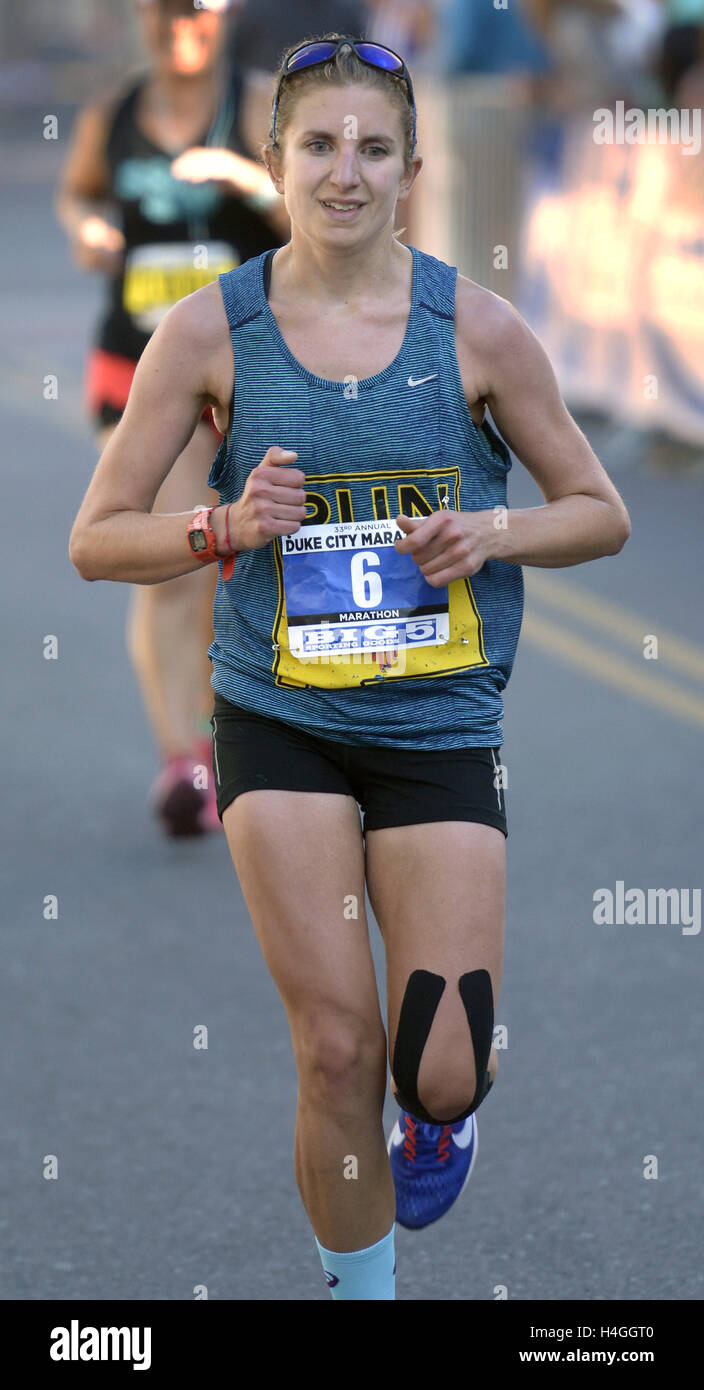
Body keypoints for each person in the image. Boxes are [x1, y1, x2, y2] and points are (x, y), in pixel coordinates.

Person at [69, 32, 631, 1299]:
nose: (344, 172)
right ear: (272, 162)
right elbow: (97, 539)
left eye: (372, 148)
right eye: (318, 145)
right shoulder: (210, 334)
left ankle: (437, 1111)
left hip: (437, 720)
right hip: (280, 720)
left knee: (438, 1062)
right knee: (333, 1048)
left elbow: (599, 509)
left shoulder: (478, 330)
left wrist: (490, 528)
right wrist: (222, 523)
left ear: (413, 167)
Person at [56, 0, 289, 836]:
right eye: (164, 11)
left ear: (224, 17)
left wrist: (241, 179)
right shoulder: (113, 114)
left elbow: (321, 210)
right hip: (138, 366)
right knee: (181, 555)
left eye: (197, 12)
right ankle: (184, 759)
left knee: (241, 561)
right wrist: (87, 230)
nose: (179, 25)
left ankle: (243, 736)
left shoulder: (263, 105)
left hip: (247, 370)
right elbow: (79, 194)